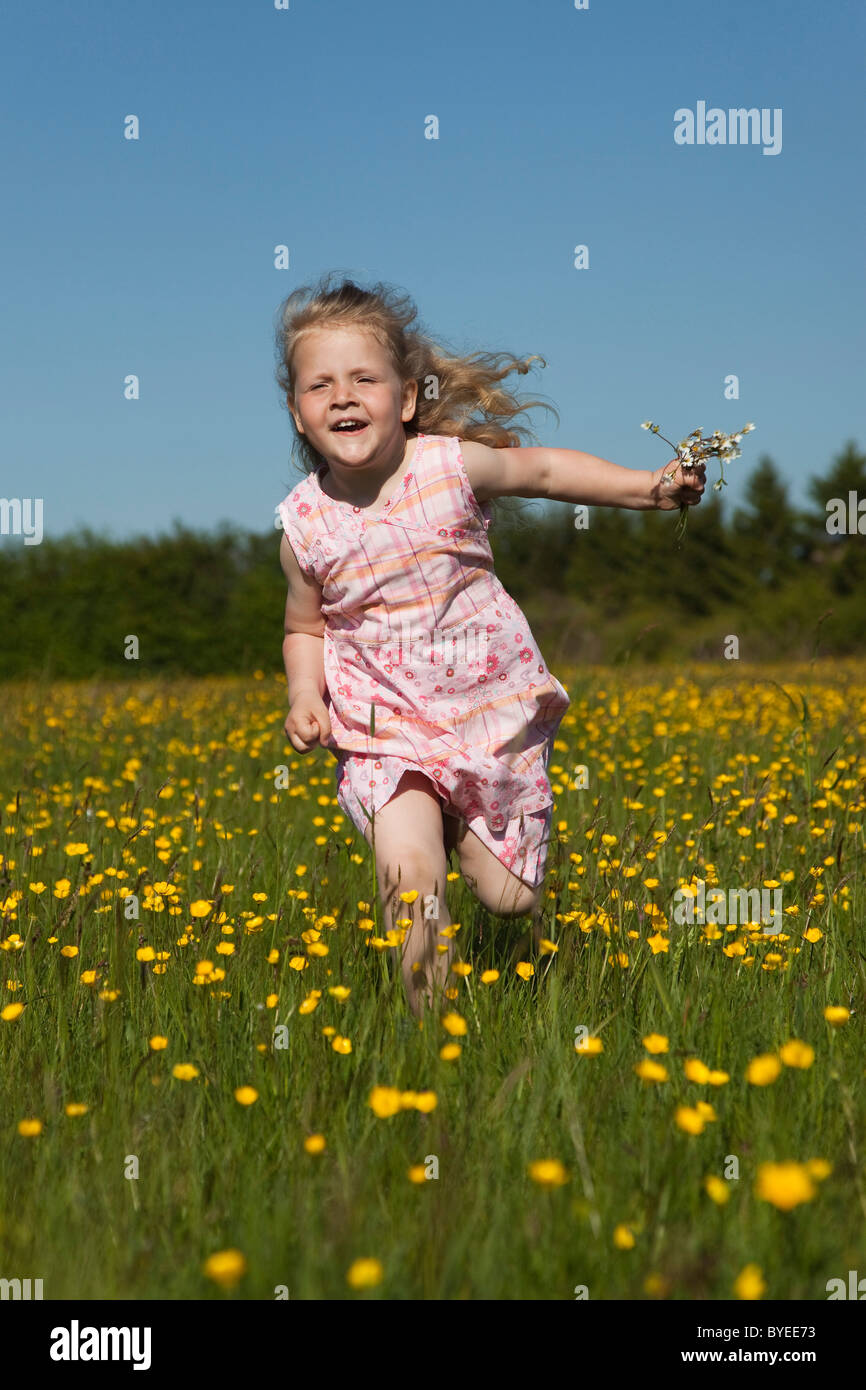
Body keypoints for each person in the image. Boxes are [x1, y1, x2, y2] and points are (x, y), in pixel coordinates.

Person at [273, 274, 706, 1018]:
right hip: (385, 730)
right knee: (409, 874)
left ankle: (487, 862)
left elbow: (542, 470)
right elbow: (304, 627)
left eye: (363, 379)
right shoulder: (304, 525)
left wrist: (648, 488)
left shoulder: (448, 466)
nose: (342, 396)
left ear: (405, 399)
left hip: (481, 716)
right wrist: (305, 693)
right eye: (320, 386)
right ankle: (432, 1038)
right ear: (298, 413)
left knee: (509, 897)